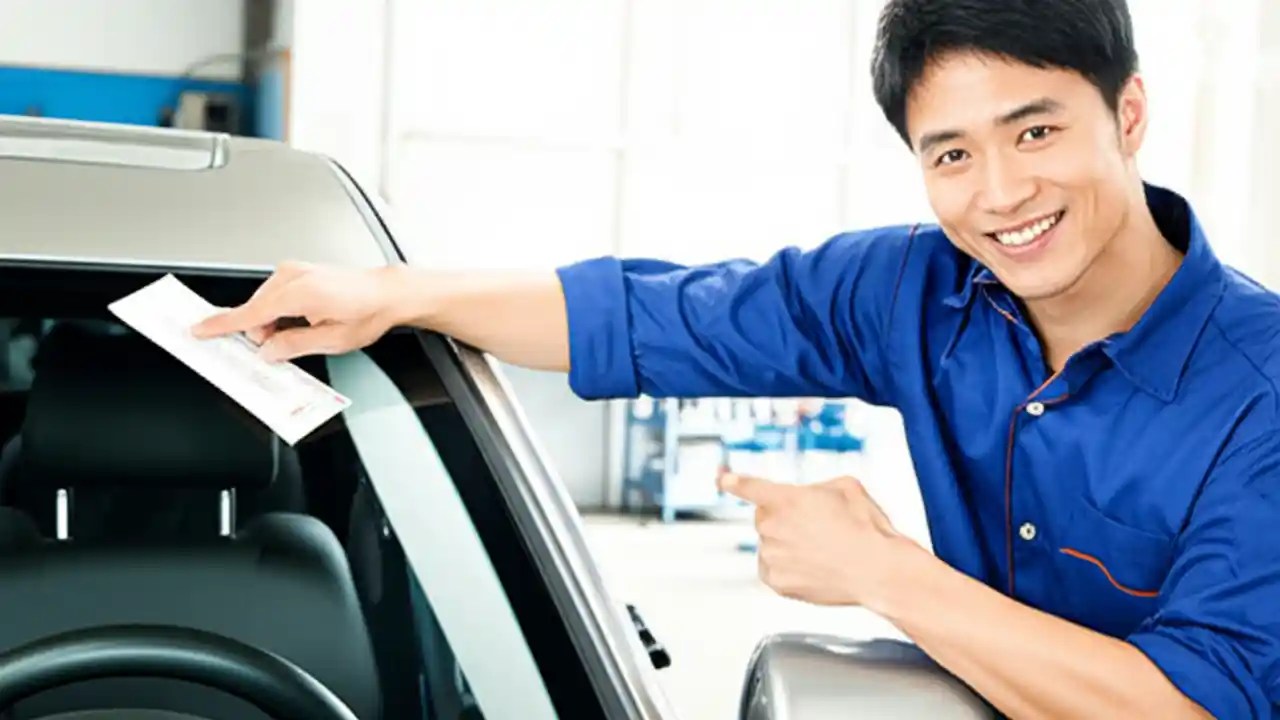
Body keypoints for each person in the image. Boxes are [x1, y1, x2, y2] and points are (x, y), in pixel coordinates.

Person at [194, 0, 1279, 716]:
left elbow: (1192, 705)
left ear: (1125, 115)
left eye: (1033, 133)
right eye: (951, 153)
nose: (997, 194)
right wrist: (394, 294)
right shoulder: (915, 289)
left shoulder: (1260, 392)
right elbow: (660, 319)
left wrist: (881, 574)